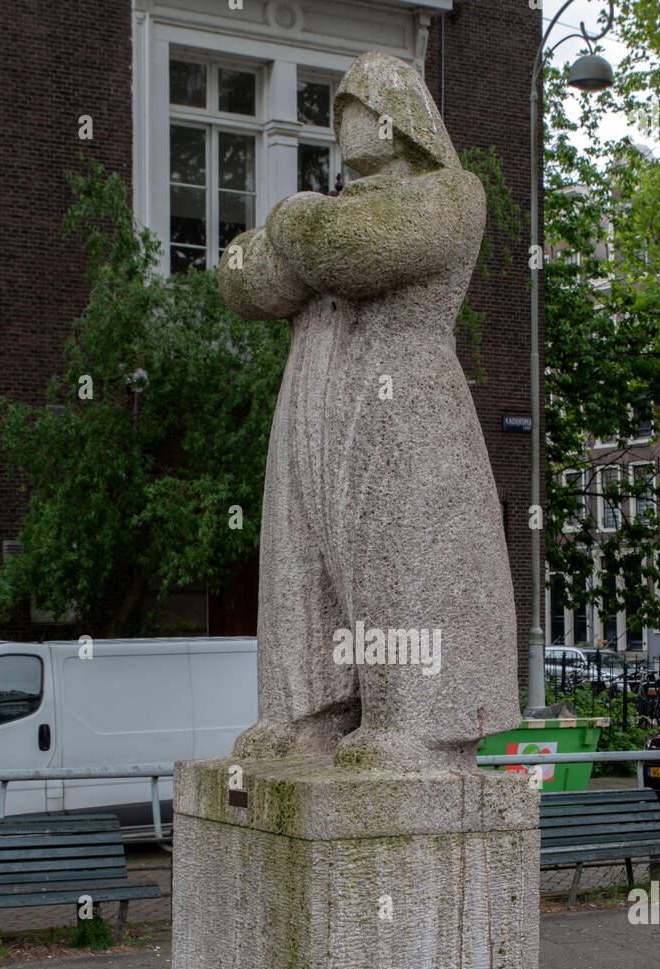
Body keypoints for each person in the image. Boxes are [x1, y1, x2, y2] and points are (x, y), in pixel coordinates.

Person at [219, 51, 520, 771]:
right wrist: (295, 244)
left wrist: (291, 229)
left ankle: (414, 722)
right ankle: (303, 713)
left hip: (400, 412)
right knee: (301, 564)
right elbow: (239, 278)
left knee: (396, 557)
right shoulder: (335, 206)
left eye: (363, 102)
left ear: (404, 117)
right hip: (310, 410)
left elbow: (344, 252)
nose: (348, 119)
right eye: (341, 107)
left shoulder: (452, 195)